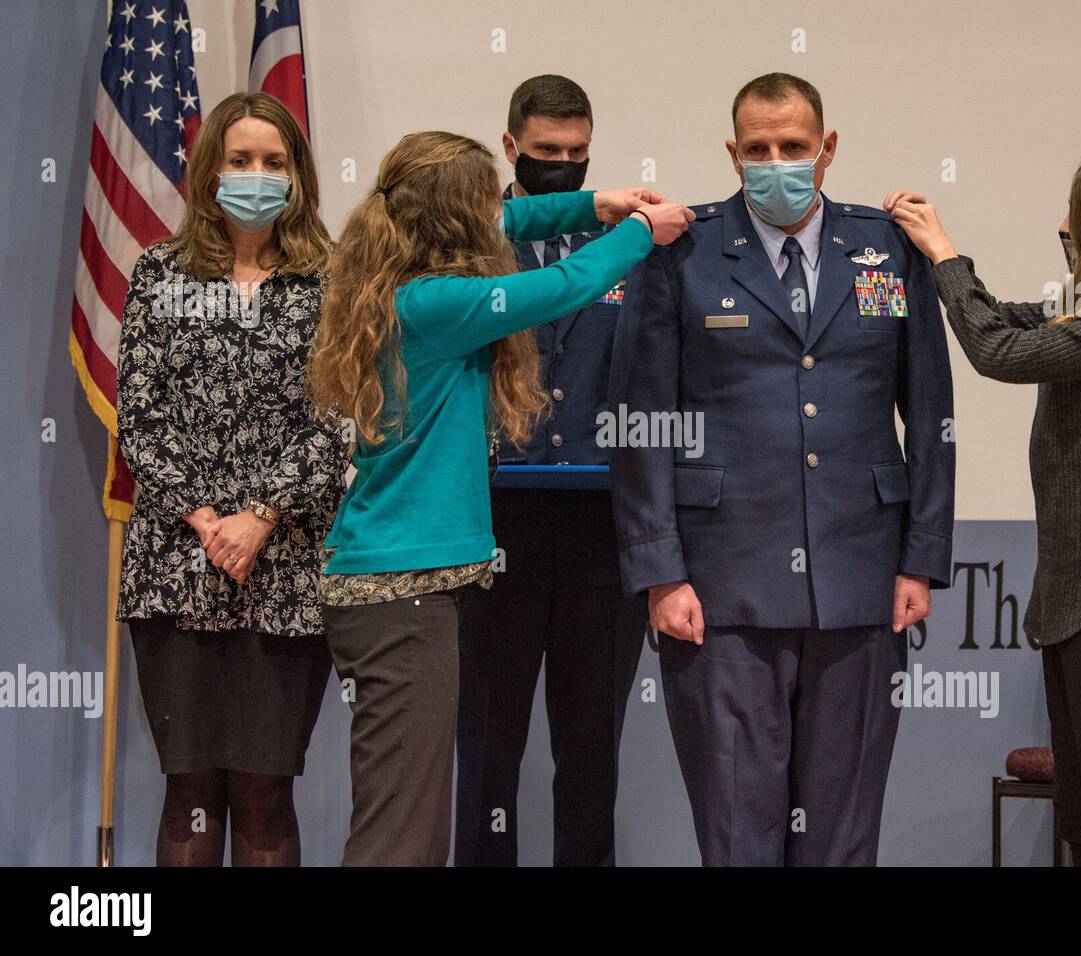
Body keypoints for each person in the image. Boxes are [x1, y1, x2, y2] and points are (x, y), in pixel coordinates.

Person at [307, 130, 693, 866]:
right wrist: (639, 229)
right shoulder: (436, 306)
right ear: (457, 219)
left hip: (398, 589)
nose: (497, 216)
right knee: (401, 838)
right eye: (483, 201)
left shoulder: (403, 283)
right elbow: (562, 286)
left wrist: (595, 202)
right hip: (402, 594)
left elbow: (507, 224)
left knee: (410, 828)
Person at [610, 73, 956, 866]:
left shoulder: (887, 247)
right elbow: (641, 423)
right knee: (738, 834)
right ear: (732, 153)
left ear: (827, 149)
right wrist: (660, 572)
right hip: (719, 585)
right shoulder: (681, 249)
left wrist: (921, 559)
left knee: (843, 836)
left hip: (862, 578)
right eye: (757, 149)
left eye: (793, 147)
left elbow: (931, 414)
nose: (776, 163)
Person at [884, 150, 1081, 866]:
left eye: (1077, 216)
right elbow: (998, 315)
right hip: (1077, 593)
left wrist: (943, 252)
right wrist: (942, 267)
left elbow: (994, 350)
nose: (1062, 226)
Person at [116, 91, 347, 867]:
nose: (257, 175)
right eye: (242, 160)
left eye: (274, 163)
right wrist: (207, 519)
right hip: (175, 571)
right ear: (211, 169)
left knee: (262, 791)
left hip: (284, 572)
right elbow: (140, 418)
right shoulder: (158, 273)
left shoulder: (331, 280)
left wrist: (261, 515)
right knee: (189, 795)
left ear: (299, 175)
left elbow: (342, 418)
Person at [455, 75, 649, 867]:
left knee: (592, 757)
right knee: (487, 753)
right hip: (489, 523)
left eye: (577, 155)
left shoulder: (629, 248)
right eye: (545, 154)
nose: (564, 168)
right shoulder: (468, 243)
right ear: (510, 148)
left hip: (604, 527)